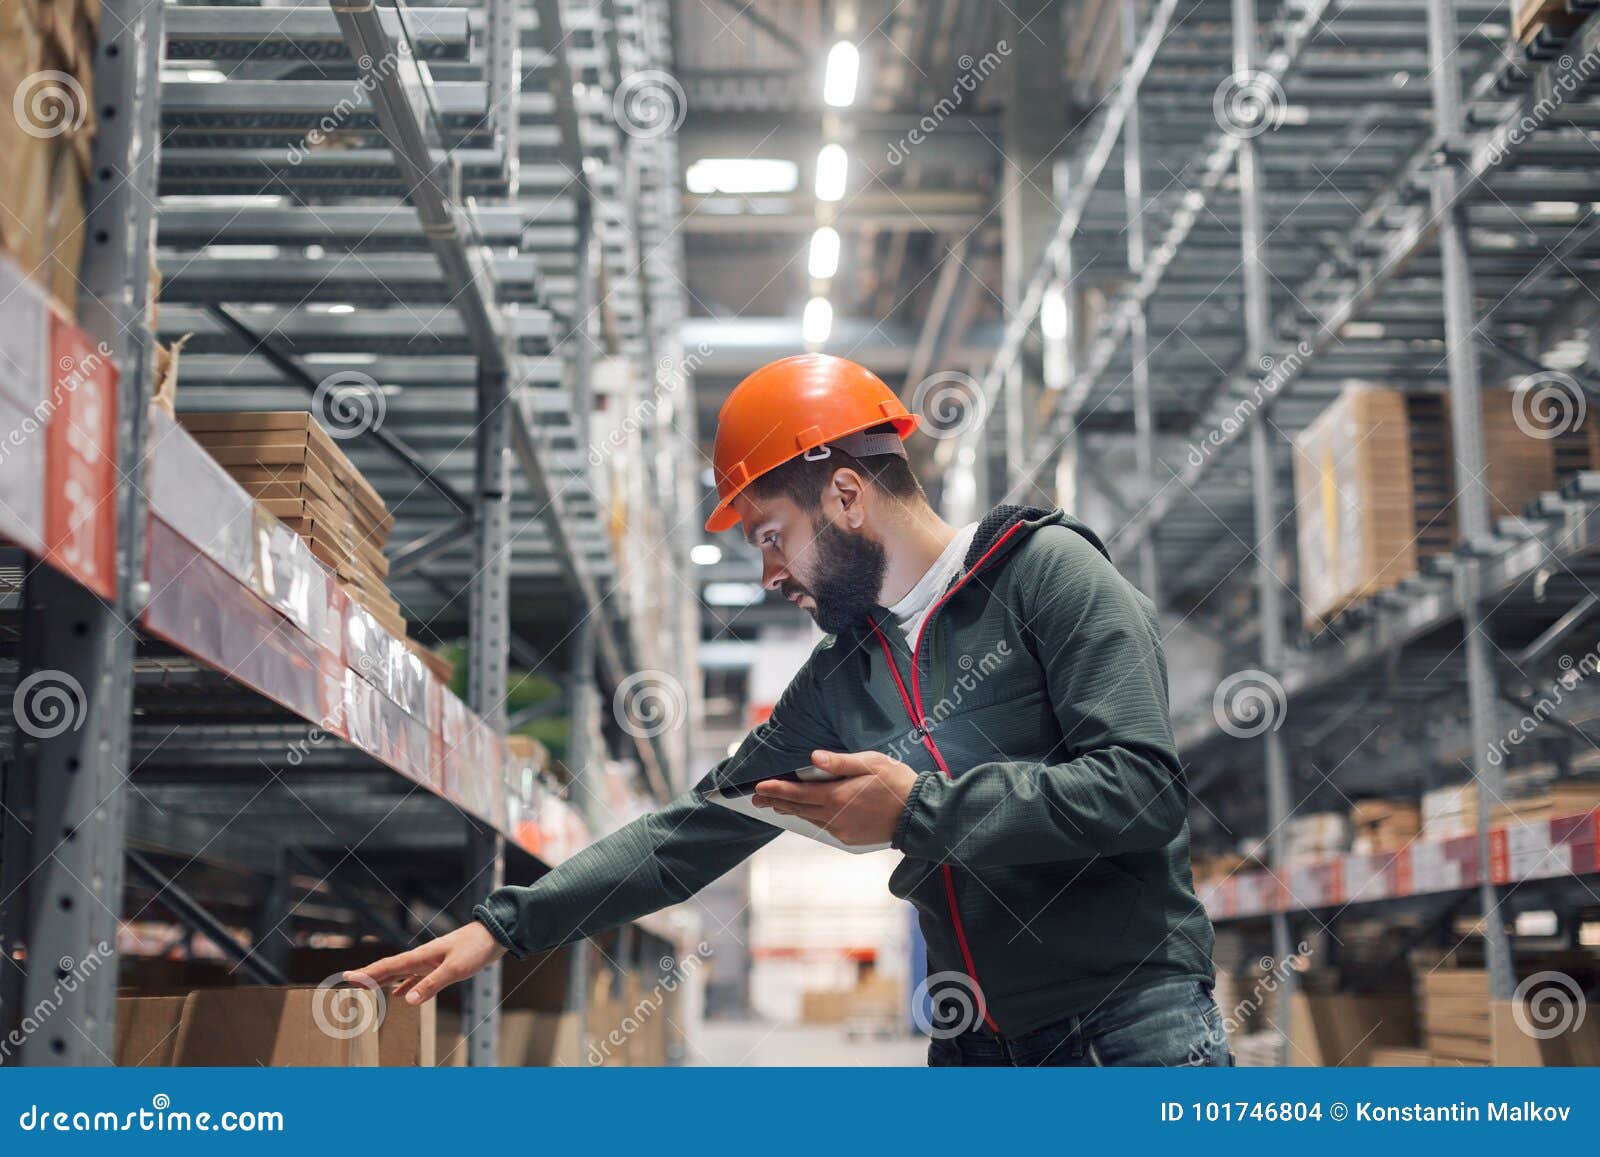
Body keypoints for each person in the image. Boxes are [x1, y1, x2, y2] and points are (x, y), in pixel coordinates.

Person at [350, 353, 1227, 1066]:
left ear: (846, 493)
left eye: (771, 534)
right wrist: (504, 925)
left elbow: (1141, 791)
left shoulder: (1047, 575)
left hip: (1128, 1029)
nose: (767, 572)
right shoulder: (841, 676)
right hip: (976, 1045)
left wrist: (919, 809)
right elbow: (694, 831)